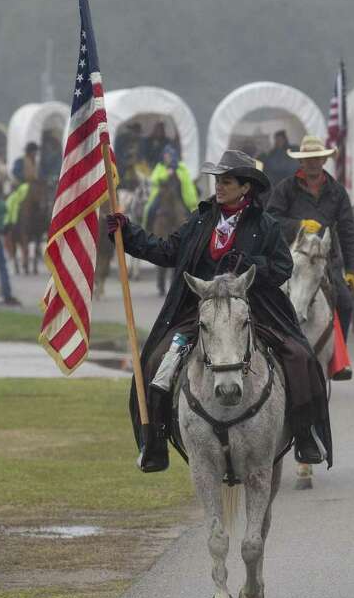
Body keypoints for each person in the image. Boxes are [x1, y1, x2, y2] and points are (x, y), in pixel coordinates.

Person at [105, 149, 332, 473]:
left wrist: (249, 263)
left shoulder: (265, 225)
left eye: (226, 182)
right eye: (218, 181)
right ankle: (155, 443)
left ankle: (305, 435)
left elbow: (283, 266)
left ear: (245, 188)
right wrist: (127, 233)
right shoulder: (200, 221)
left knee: (300, 357)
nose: (219, 187)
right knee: (157, 360)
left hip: (254, 311)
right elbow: (167, 250)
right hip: (200, 312)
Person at [266, 135, 354, 378]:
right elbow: (270, 219)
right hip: (292, 259)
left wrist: (352, 271)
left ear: (324, 160)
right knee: (270, 300)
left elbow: (348, 231)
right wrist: (297, 225)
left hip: (327, 260)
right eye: (308, 159)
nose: (312, 163)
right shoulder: (286, 188)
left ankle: (338, 358)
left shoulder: (337, 192)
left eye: (316, 158)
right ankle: (270, 353)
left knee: (346, 304)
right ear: (301, 162)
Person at [143, 145, 199, 225]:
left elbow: (187, 183)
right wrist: (167, 174)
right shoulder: (160, 167)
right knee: (151, 210)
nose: (166, 158)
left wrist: (176, 175)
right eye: (165, 156)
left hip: (179, 194)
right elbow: (154, 180)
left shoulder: (181, 167)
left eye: (168, 156)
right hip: (162, 195)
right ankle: (147, 229)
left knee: (190, 213)